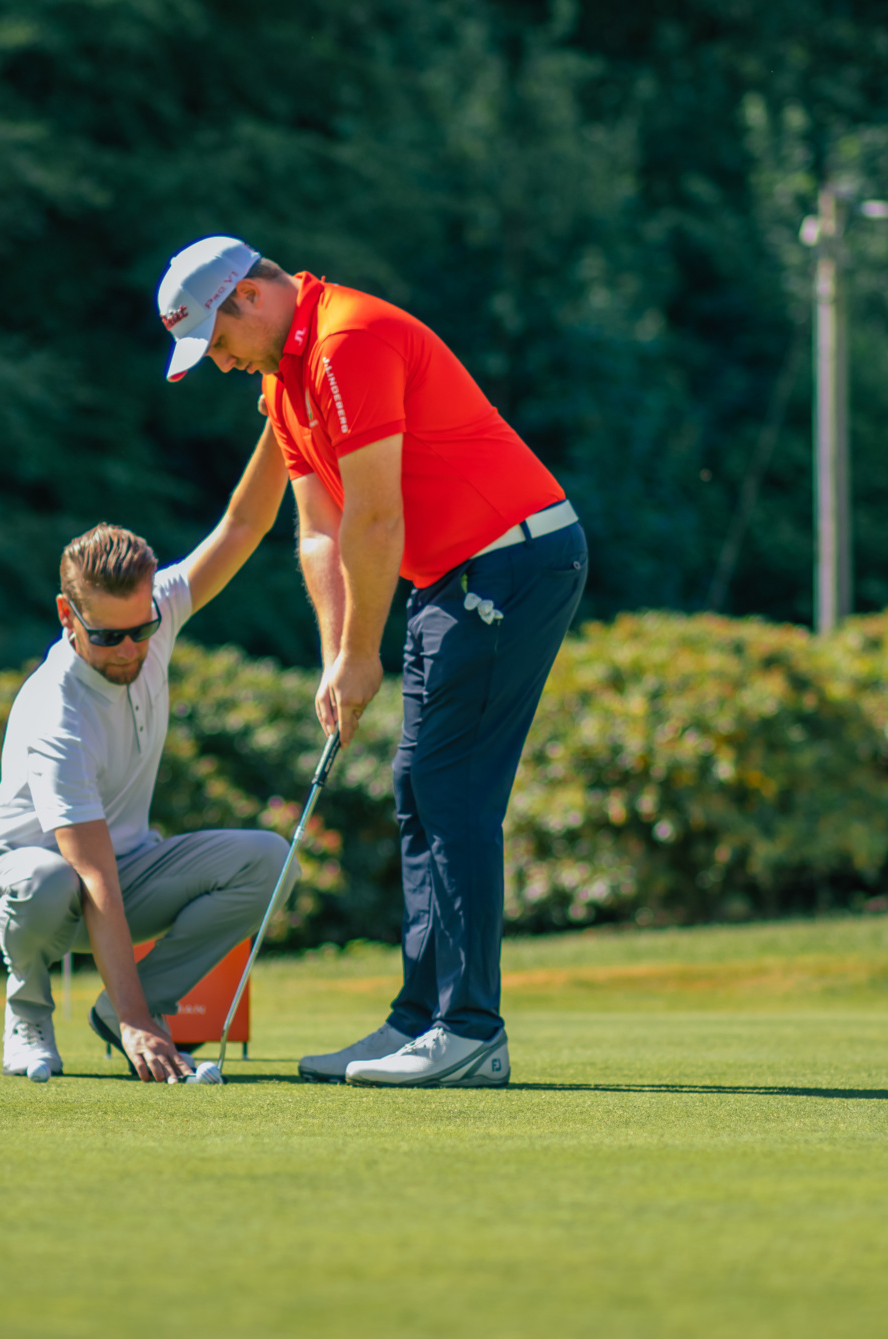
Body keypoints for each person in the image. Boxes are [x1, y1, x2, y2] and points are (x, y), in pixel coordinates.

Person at [156, 235, 588, 1087]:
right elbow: (318, 527)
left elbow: (377, 518)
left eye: (217, 340)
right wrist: (334, 657)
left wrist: (364, 653)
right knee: (416, 787)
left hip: (512, 557)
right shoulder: (288, 384)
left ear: (249, 296)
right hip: (450, 575)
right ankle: (417, 1019)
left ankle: (469, 1030)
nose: (220, 363)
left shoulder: (349, 341)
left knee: (451, 785)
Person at [0, 443, 292, 1083]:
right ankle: (28, 1009)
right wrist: (135, 1017)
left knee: (270, 862)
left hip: (127, 868)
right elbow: (90, 877)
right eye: (107, 636)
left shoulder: (158, 610)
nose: (127, 651)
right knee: (49, 878)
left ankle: (127, 1011)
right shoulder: (56, 712)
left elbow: (243, 525)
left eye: (139, 630)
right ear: (68, 616)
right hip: (23, 887)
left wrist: (284, 423)